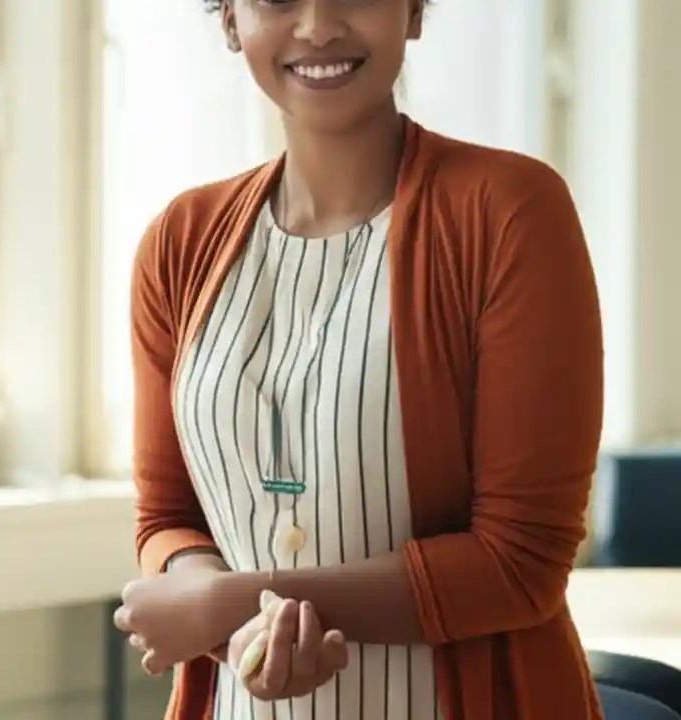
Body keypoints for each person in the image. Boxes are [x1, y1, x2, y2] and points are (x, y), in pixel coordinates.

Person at [111, 0, 605, 718]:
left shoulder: (510, 214)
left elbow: (519, 562)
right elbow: (167, 516)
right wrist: (242, 626)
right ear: (228, 20)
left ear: (412, 11)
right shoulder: (181, 243)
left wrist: (229, 602)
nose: (318, 26)